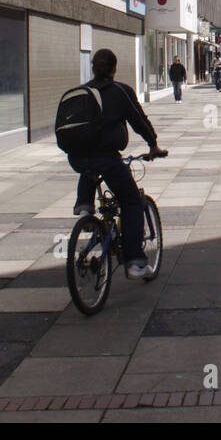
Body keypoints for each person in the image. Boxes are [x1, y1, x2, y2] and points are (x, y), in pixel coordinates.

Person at [67, 49, 167, 279]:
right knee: (132, 202)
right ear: (114, 68)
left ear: (94, 68)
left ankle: (84, 206)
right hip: (106, 156)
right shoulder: (119, 91)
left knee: (90, 168)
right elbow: (138, 120)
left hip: (78, 157)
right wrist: (153, 145)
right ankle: (134, 261)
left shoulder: (83, 92)